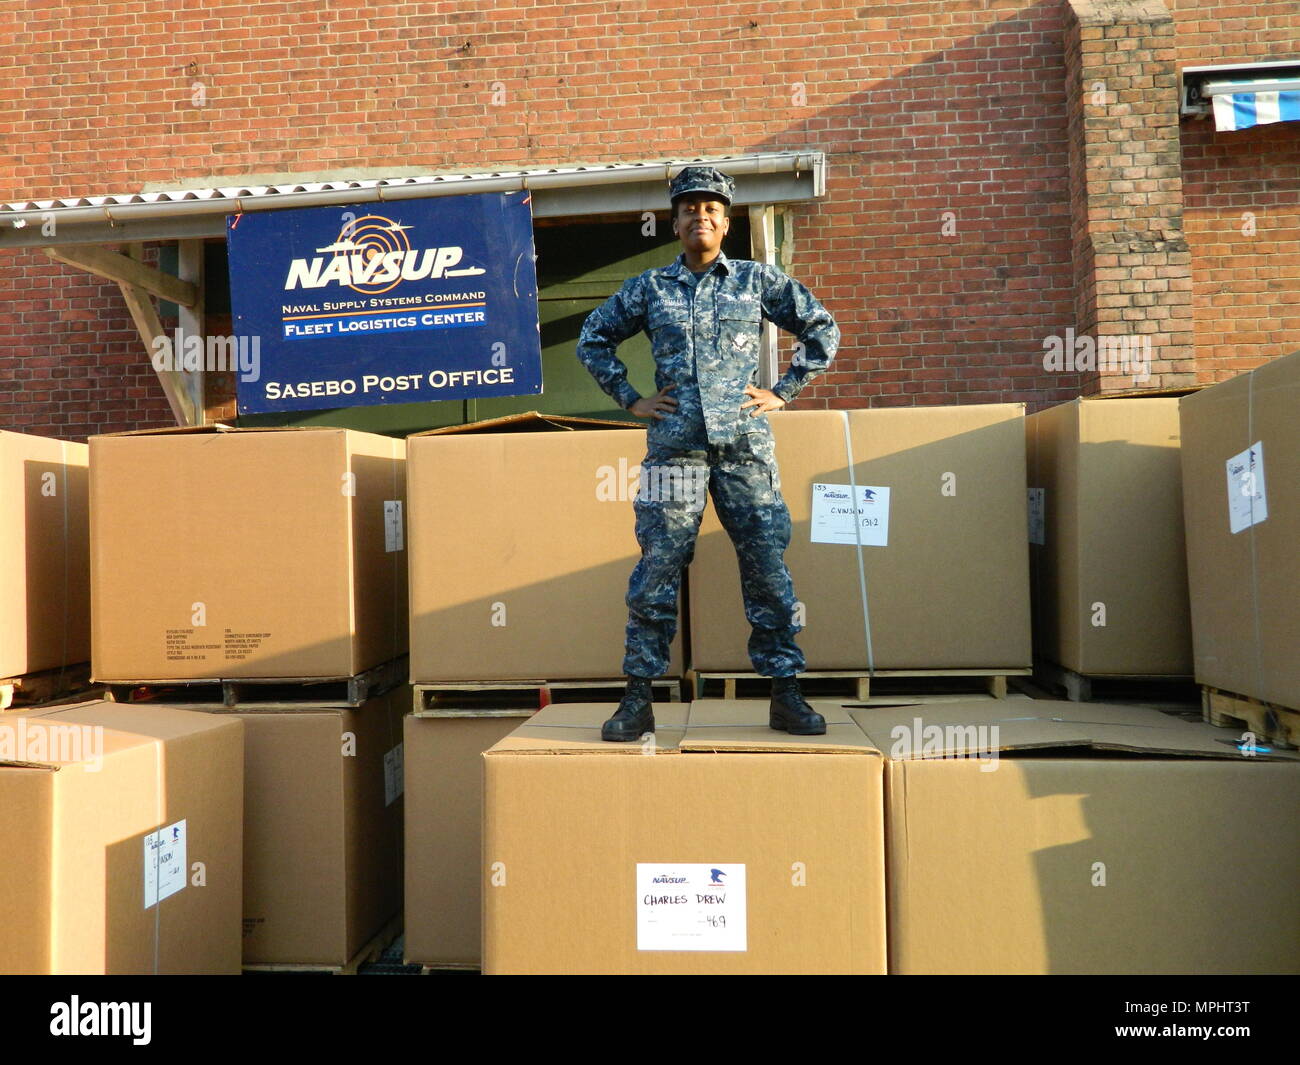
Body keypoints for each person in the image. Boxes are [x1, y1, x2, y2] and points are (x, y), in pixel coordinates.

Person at [577, 165, 840, 741]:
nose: (702, 217)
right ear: (674, 222)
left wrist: (783, 391)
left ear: (727, 223)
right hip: (674, 454)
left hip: (744, 449)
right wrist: (630, 399)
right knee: (656, 570)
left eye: (713, 209)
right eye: (691, 208)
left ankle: (785, 694)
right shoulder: (650, 289)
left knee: (767, 568)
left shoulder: (755, 280)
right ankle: (638, 699)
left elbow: (821, 328)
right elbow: (592, 337)